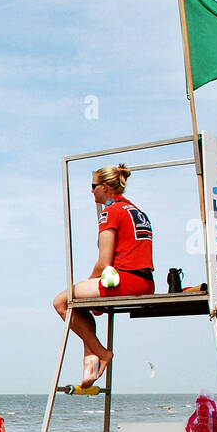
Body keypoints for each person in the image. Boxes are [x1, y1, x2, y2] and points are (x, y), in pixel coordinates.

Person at [52, 164, 154, 388]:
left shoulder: (111, 211)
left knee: (61, 301)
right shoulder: (136, 211)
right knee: (80, 305)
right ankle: (89, 362)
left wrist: (88, 282)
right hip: (146, 282)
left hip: (126, 281)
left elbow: (103, 262)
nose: (91, 191)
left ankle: (100, 353)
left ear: (106, 187)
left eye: (93, 186)